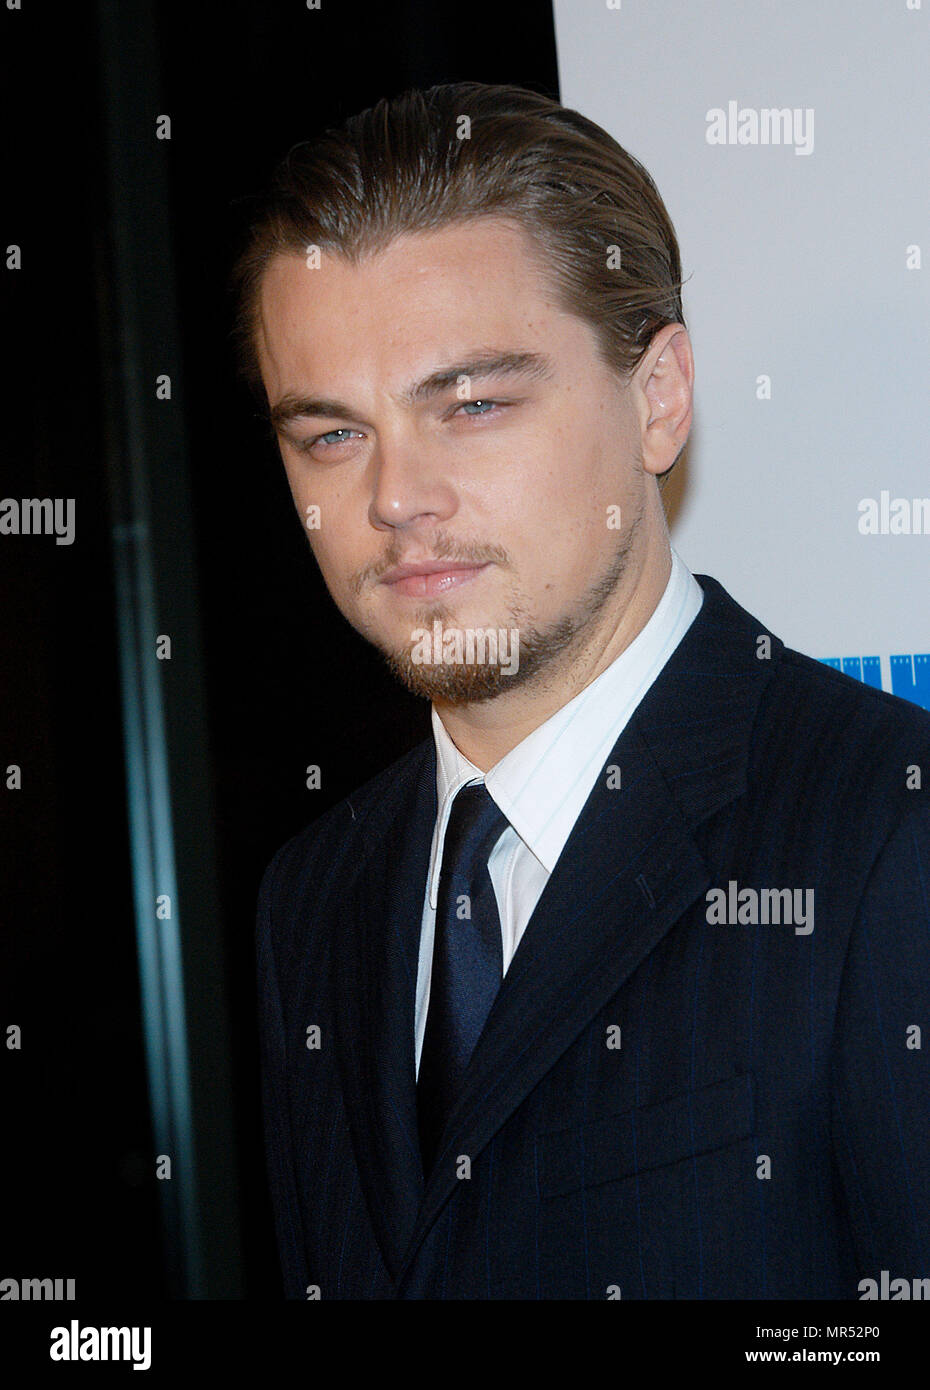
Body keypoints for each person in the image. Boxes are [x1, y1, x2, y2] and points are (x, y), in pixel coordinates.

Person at [235, 82, 930, 1299]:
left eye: (475, 404)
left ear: (658, 399)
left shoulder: (887, 834)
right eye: (332, 435)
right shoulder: (315, 897)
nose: (397, 496)